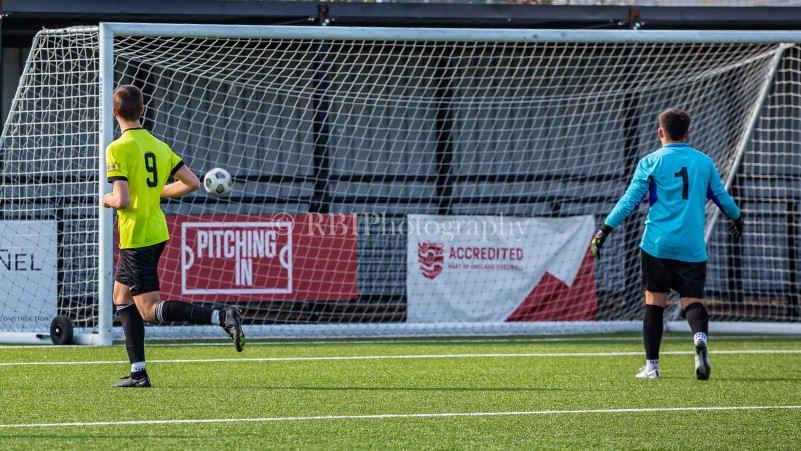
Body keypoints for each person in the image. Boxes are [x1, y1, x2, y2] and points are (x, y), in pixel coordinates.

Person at [103, 85, 245, 388]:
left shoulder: (116, 148)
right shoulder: (158, 144)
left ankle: (221, 316)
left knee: (148, 310)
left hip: (137, 236)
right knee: (121, 296)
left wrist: (106, 199)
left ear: (114, 112)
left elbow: (122, 200)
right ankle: (138, 372)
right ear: (142, 110)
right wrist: (154, 193)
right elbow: (192, 182)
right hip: (156, 231)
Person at [591, 108, 743, 380]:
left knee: (654, 303)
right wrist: (737, 219)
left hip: (657, 244)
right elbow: (721, 197)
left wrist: (604, 229)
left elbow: (629, 201)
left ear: (660, 132)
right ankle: (699, 337)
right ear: (688, 133)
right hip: (692, 246)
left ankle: (652, 366)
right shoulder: (704, 162)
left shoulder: (650, 162)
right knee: (693, 301)